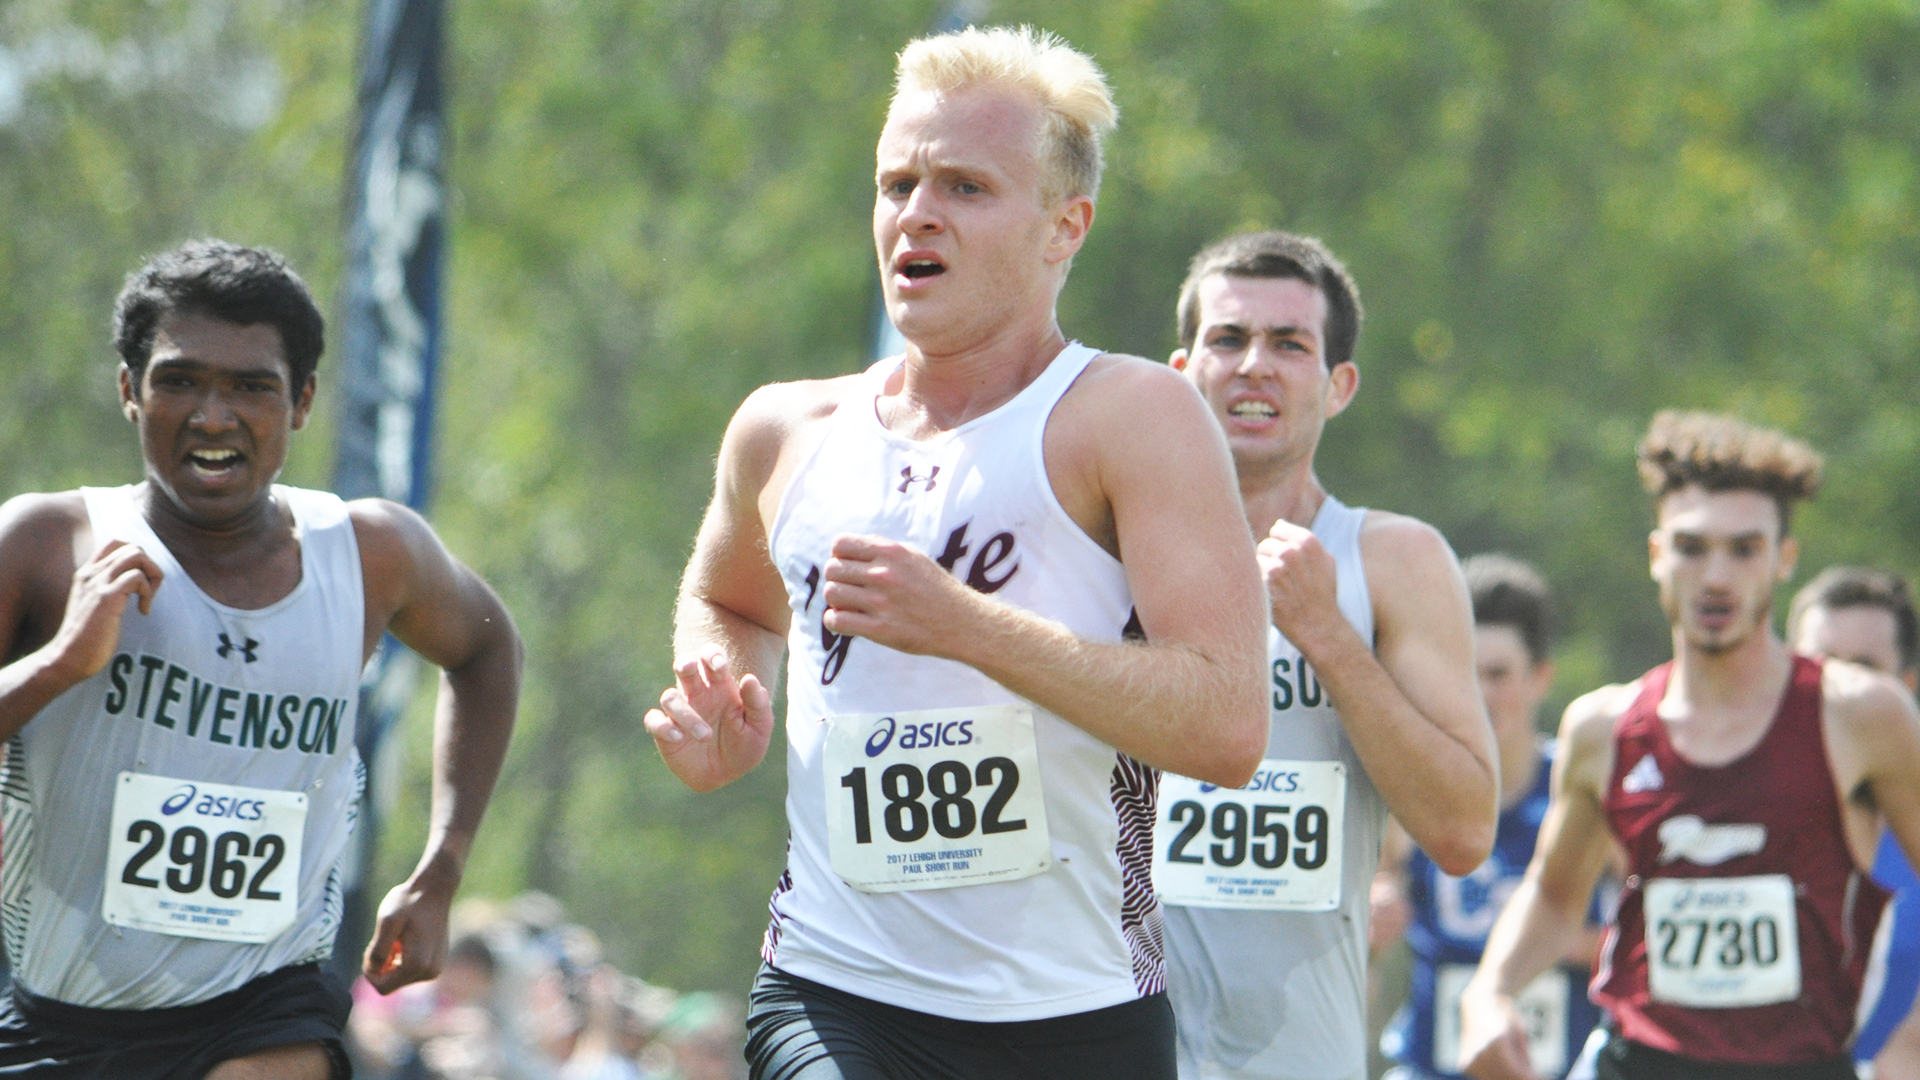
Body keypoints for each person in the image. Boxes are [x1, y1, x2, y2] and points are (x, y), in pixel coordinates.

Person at [641, 25, 1269, 1080]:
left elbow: (1225, 722)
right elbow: (732, 602)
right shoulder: (784, 430)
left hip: (1078, 1009)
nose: (916, 213)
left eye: (966, 187)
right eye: (897, 183)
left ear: (1065, 226)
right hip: (835, 989)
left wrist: (967, 627)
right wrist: (725, 697)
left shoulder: (1129, 417)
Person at [0, 240, 522, 1078]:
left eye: (251, 387)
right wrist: (62, 661)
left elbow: (490, 648)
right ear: (130, 391)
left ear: (303, 401)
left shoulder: (368, 553)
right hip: (64, 1015)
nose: (214, 417)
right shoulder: (46, 543)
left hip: (267, 999)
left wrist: (442, 867)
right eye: (180, 381)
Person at [1458, 411, 1920, 1080]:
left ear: (1784, 558)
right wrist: (1490, 992)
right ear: (1656, 556)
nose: (1716, 577)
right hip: (1638, 1062)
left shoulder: (1860, 717)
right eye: (1692, 546)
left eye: (1744, 548)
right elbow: (1556, 896)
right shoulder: (1604, 729)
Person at [1156, 229, 1499, 1080]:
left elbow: (1462, 830)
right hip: (1111, 1044)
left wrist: (1328, 635)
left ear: (1339, 385)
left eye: (1289, 344)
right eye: (1228, 339)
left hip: (1298, 1057)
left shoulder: (1393, 559)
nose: (1254, 366)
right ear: (1178, 373)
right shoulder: (1102, 550)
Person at [1374, 555, 1605, 1080]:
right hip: (1433, 1067)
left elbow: (1646, 942)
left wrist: (1554, 938)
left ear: (1540, 678)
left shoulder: (1581, 793)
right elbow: (1363, 935)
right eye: (1466, 672)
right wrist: (1372, 921)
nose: (1480, 692)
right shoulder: (1410, 794)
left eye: (1498, 674)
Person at [1786, 567, 1920, 1079]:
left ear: (1907, 685)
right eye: (1822, 665)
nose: (1840, 690)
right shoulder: (1724, 812)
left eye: (1864, 668)